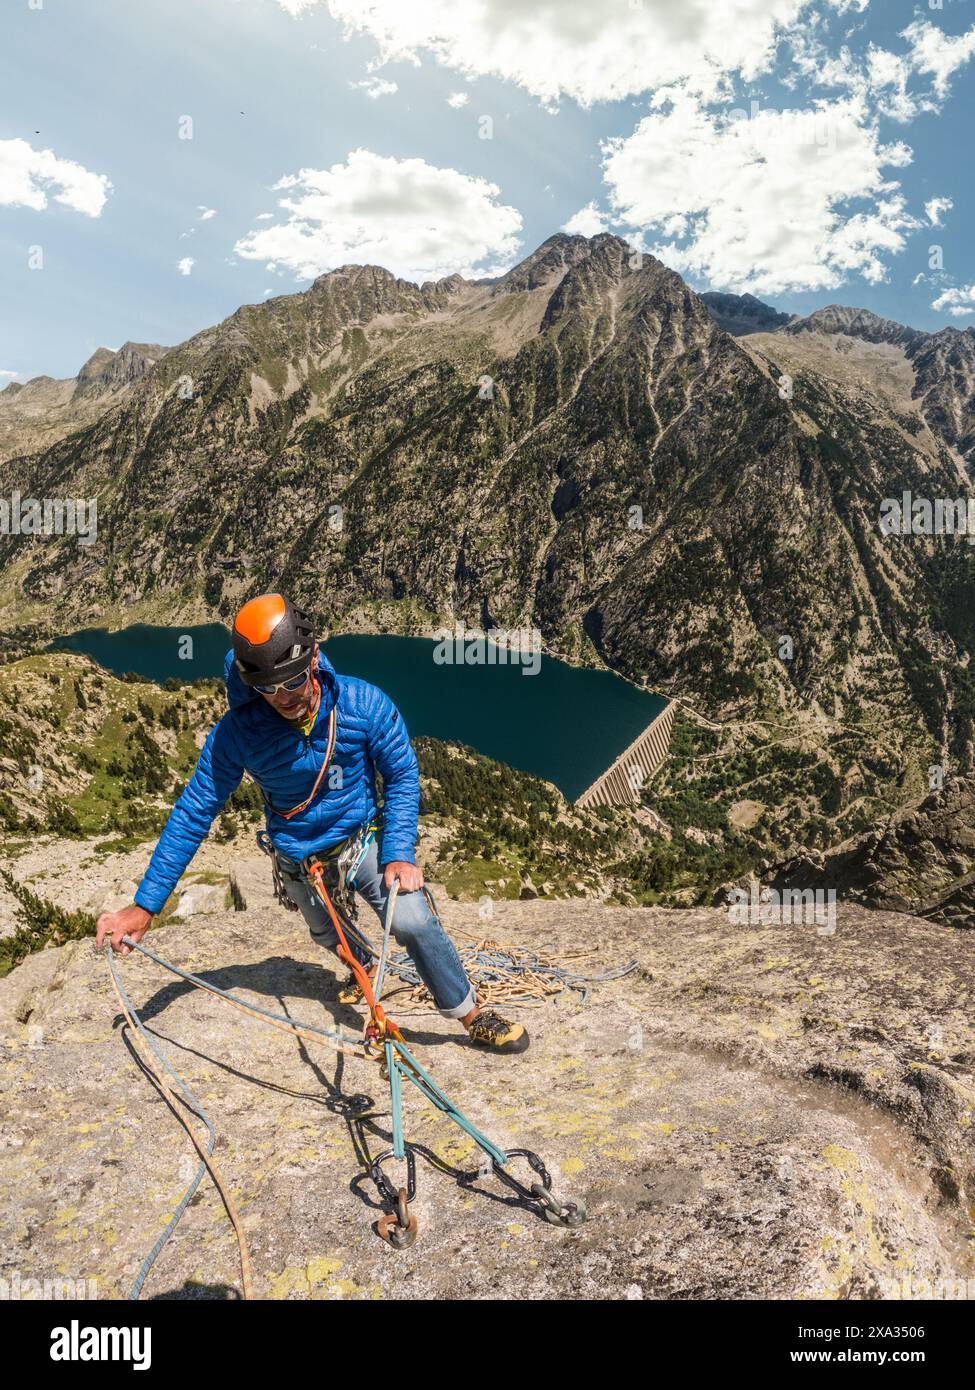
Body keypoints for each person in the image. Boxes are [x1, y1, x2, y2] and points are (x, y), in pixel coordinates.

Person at [95, 593, 529, 1054]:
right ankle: (359, 965)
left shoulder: (363, 704)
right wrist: (145, 907)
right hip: (300, 859)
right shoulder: (238, 733)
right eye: (269, 688)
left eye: (294, 680)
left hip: (363, 843)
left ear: (315, 657)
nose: (285, 698)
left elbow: (401, 773)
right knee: (326, 934)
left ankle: (471, 1015)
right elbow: (195, 810)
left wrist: (399, 851)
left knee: (413, 922)